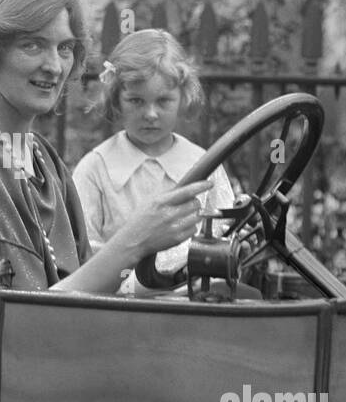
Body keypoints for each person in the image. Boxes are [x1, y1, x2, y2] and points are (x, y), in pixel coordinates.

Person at [0, 0, 211, 293]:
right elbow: (24, 321)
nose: (54, 66)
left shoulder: (39, 155)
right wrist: (136, 241)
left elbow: (84, 289)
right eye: (32, 45)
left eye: (64, 48)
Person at [72, 29, 236, 254]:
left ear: (183, 98)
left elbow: (225, 235)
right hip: (110, 289)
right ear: (116, 99)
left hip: (193, 288)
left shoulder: (205, 165)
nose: (150, 114)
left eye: (163, 101)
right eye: (136, 100)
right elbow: (81, 251)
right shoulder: (94, 170)